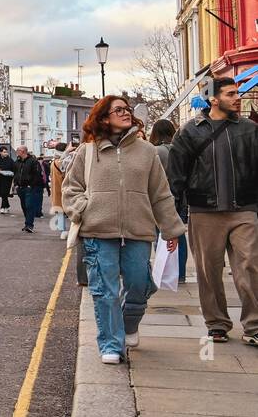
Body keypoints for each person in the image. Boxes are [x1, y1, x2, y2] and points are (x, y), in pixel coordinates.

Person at [64, 96, 185, 363]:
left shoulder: (146, 151)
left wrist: (171, 229)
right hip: (98, 231)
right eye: (118, 110)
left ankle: (129, 323)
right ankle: (110, 344)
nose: (126, 113)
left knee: (139, 284)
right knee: (104, 290)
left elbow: (161, 194)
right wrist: (84, 209)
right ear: (104, 118)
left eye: (127, 109)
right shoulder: (87, 151)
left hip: (138, 230)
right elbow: (70, 189)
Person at [168, 78, 258, 346]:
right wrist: (174, 214)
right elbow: (176, 175)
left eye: (236, 93)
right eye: (231, 94)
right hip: (204, 210)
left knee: (250, 265)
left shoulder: (249, 129)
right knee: (209, 271)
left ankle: (253, 325)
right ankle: (217, 324)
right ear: (214, 99)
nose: (237, 98)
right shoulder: (188, 132)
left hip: (244, 209)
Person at [149, 120, 189, 284]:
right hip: (181, 197)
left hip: (160, 197)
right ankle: (180, 273)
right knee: (178, 233)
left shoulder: (154, 151)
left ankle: (164, 270)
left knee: (161, 233)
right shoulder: (181, 150)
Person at [14, 145, 45, 233]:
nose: (16, 152)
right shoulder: (17, 161)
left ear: (23, 151)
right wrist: (16, 184)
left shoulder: (33, 161)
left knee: (29, 206)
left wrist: (31, 185)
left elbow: (37, 175)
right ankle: (27, 223)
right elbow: (15, 173)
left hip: (29, 187)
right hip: (20, 187)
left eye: (18, 150)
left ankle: (30, 225)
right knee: (24, 206)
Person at [50, 142, 71, 234]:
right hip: (64, 187)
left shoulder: (54, 162)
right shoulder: (61, 162)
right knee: (67, 209)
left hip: (56, 188)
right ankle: (63, 231)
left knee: (60, 210)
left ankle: (61, 229)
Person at [0, 146, 15, 213]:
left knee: (5, 193)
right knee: (2, 194)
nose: (6, 153)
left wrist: (12, 173)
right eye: (4, 152)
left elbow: (14, 168)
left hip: (8, 179)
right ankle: (6, 206)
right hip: (0, 179)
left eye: (6, 152)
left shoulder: (10, 160)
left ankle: (3, 207)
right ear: (0, 152)